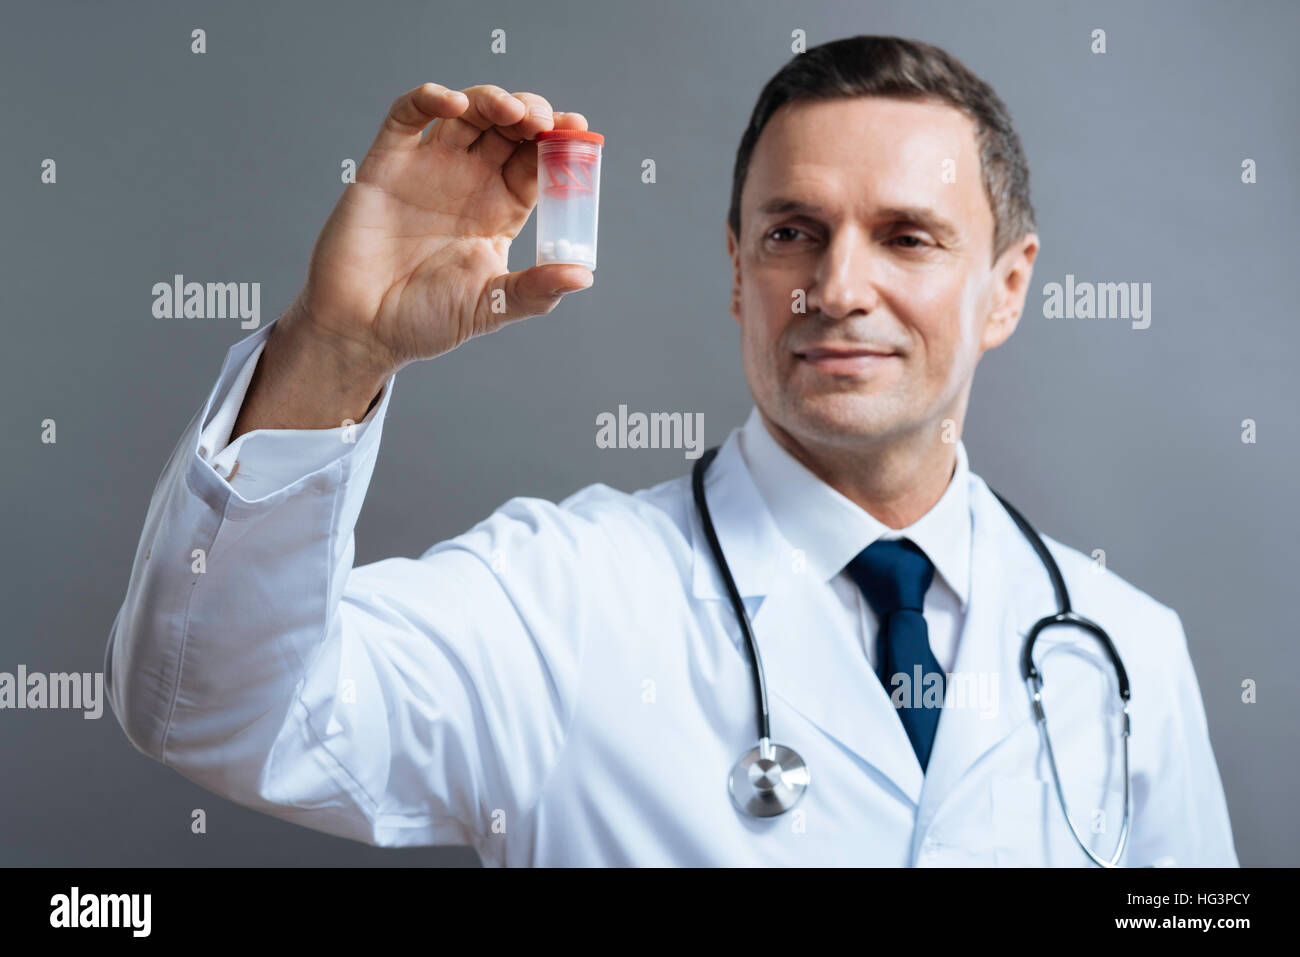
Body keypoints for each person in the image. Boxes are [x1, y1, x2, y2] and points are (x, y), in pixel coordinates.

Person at [105, 35, 1238, 867]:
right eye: (792, 233)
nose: (838, 289)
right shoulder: (556, 602)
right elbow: (213, 711)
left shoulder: (1124, 649)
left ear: (1006, 289)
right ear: (737, 271)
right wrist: (338, 348)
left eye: (907, 237)